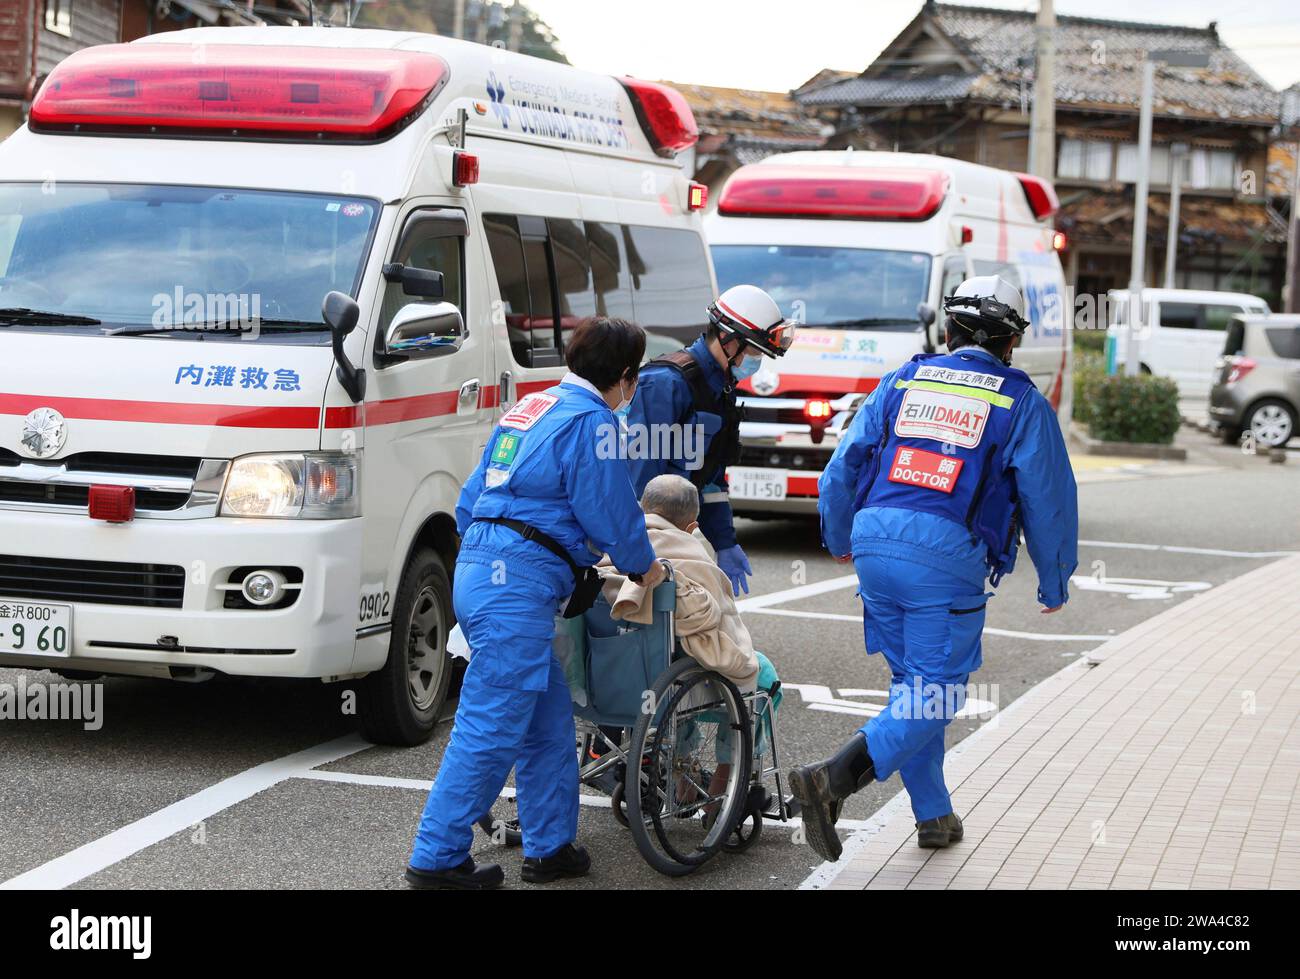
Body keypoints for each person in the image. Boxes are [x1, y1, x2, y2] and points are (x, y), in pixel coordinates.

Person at [789, 276, 1078, 862]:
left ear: (948, 330)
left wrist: (841, 534)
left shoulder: (904, 378)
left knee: (912, 690)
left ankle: (934, 814)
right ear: (1010, 343)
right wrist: (1054, 577)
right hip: (946, 558)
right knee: (937, 695)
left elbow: (845, 462)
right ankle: (835, 777)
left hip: (875, 541)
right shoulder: (1021, 401)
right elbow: (1048, 498)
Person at [406, 316, 667, 890]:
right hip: (515, 586)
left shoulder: (529, 409)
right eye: (636, 378)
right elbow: (611, 513)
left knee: (545, 719)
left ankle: (551, 848)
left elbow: (472, 499)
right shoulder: (591, 421)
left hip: (480, 568)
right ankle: (436, 858)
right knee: (490, 723)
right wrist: (646, 568)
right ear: (625, 377)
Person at [598, 473, 783, 811]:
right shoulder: (693, 556)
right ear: (691, 526)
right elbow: (720, 631)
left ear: (641, 508)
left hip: (609, 677)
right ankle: (724, 785)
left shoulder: (612, 550)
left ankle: (684, 779)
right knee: (762, 676)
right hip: (673, 682)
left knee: (677, 669)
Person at [625, 285, 796, 596]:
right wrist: (645, 552)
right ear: (729, 340)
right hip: (651, 536)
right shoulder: (665, 384)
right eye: (755, 351)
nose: (757, 362)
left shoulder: (722, 390)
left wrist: (725, 541)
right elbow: (641, 479)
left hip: (679, 531)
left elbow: (712, 481)